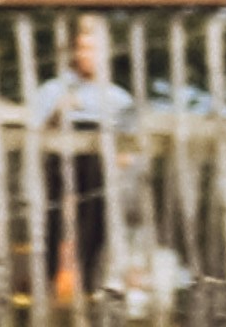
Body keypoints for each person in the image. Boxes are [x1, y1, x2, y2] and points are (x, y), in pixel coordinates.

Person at [29, 18, 138, 305]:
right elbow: (34, 134)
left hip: (99, 172)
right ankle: (49, 287)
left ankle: (89, 286)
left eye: (93, 48)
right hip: (59, 165)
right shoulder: (52, 90)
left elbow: (129, 148)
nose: (87, 54)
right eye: (82, 48)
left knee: (96, 223)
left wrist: (117, 164)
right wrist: (58, 112)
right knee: (52, 224)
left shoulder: (119, 99)